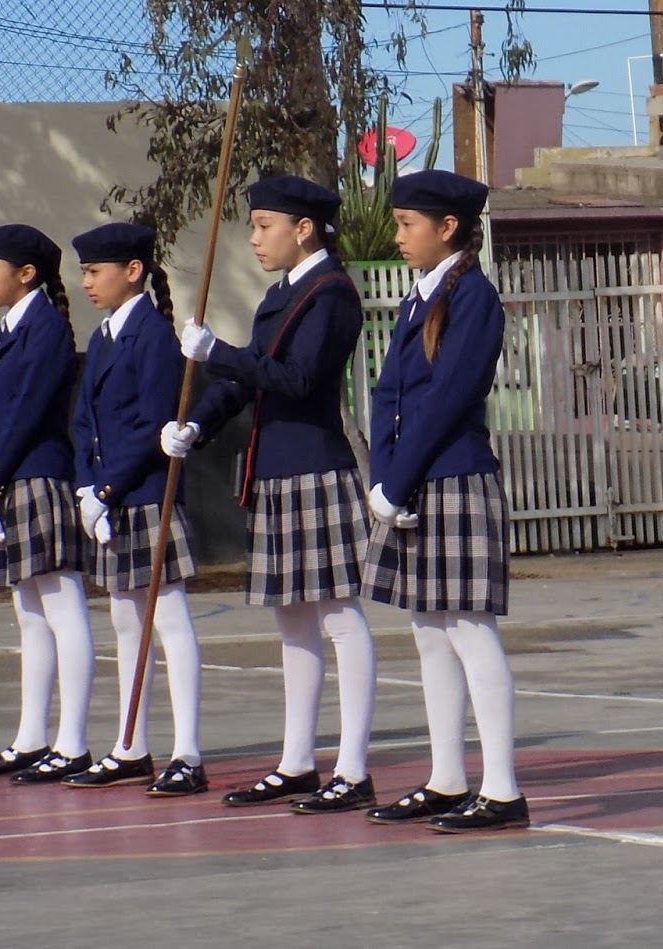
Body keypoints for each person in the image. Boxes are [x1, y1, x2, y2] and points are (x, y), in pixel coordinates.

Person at [160, 175, 379, 812]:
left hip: (315, 466)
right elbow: (250, 380)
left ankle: (355, 767)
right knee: (293, 621)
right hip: (277, 471)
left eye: (263, 225)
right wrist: (197, 423)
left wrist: (218, 353)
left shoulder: (331, 293)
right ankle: (297, 762)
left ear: (302, 228)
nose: (254, 238)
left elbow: (297, 378)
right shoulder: (280, 294)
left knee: (339, 616)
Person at [360, 169, 527, 833]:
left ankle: (504, 788)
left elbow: (449, 395)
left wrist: (396, 480)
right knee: (429, 630)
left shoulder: (474, 296)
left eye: (407, 224)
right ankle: (447, 777)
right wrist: (383, 474)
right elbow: (388, 394)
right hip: (414, 478)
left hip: (453, 476)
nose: (398, 236)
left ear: (448, 227)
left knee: (468, 627)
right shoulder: (417, 297)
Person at [62, 222, 206, 796]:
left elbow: (154, 425)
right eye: (85, 272)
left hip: (145, 496)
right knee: (126, 623)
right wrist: (85, 487)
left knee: (167, 621)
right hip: (110, 498)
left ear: (134, 271)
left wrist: (107, 490)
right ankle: (131, 745)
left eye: (96, 271)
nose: (87, 282)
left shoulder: (152, 336)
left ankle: (188, 753)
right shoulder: (103, 337)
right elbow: (83, 422)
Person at [0, 224, 95, 785]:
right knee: (31, 615)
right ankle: (31, 738)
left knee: (64, 610)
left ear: (26, 274)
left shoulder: (47, 331)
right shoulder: (7, 329)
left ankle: (73, 743)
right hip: (6, 481)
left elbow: (25, 417)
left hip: (37, 479)